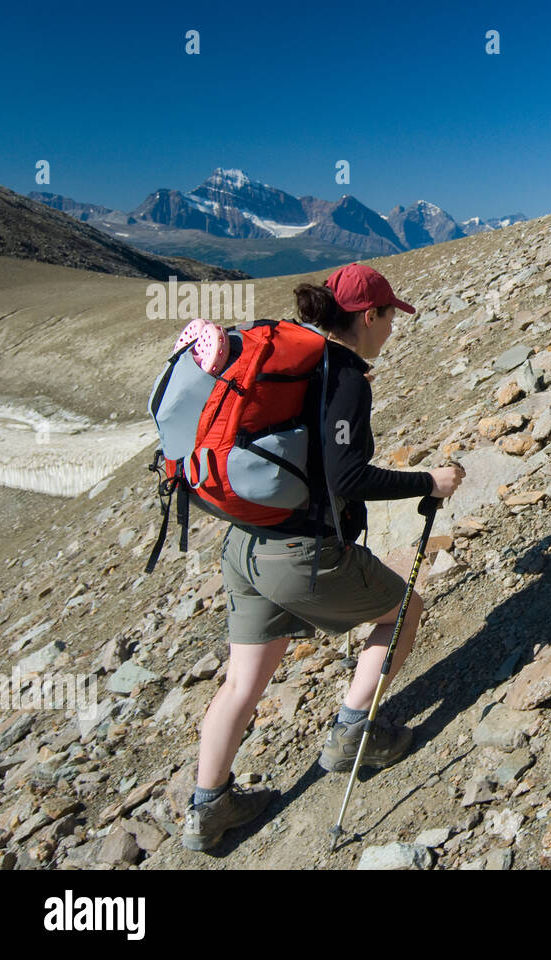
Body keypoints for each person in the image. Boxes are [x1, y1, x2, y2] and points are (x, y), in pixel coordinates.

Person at [182, 263, 465, 852]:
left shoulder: (294, 359)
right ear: (369, 316)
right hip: (299, 553)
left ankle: (209, 810)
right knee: (402, 610)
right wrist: (428, 482)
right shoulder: (345, 378)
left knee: (240, 682)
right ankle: (353, 736)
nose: (391, 330)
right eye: (389, 318)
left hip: (243, 542)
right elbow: (349, 476)